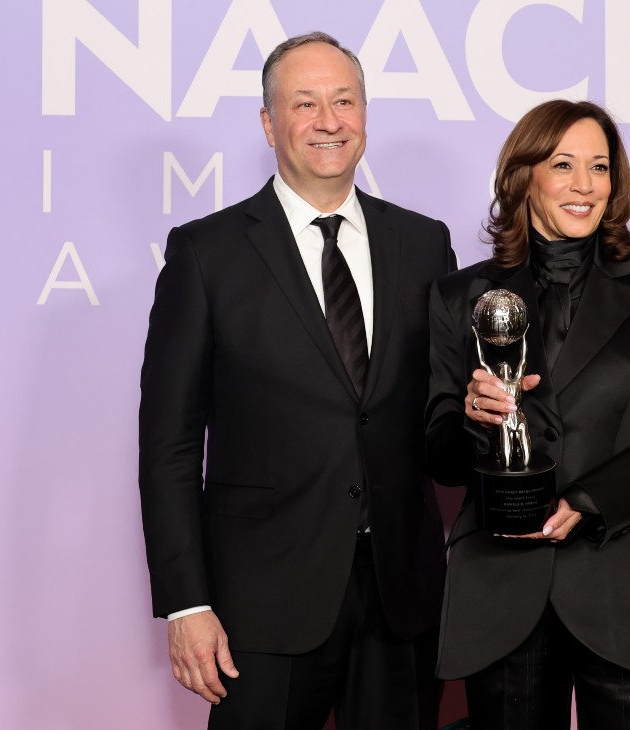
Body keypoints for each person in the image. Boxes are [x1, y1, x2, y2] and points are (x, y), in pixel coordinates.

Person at [139, 31, 455, 730]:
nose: (329, 121)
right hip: (262, 606)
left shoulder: (423, 243)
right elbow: (169, 446)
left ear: (365, 114)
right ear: (268, 122)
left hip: (402, 598)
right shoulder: (205, 255)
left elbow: (437, 416)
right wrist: (188, 603)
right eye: (305, 103)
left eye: (344, 101)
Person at [424, 100, 630, 729]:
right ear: (522, 176)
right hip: (502, 589)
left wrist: (586, 501)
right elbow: (440, 457)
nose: (585, 184)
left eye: (599, 166)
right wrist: (476, 424)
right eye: (563, 165)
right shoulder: (462, 298)